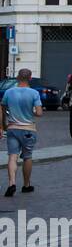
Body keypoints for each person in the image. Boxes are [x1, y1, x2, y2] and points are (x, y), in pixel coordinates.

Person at [2, 69, 42, 197]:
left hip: (12, 128)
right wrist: (33, 112)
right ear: (30, 78)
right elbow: (39, 113)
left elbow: (2, 109)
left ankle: (11, 183)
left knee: (12, 156)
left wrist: (2, 126)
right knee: (27, 157)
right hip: (28, 129)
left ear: (18, 78)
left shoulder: (8, 92)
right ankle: (26, 185)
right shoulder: (34, 93)